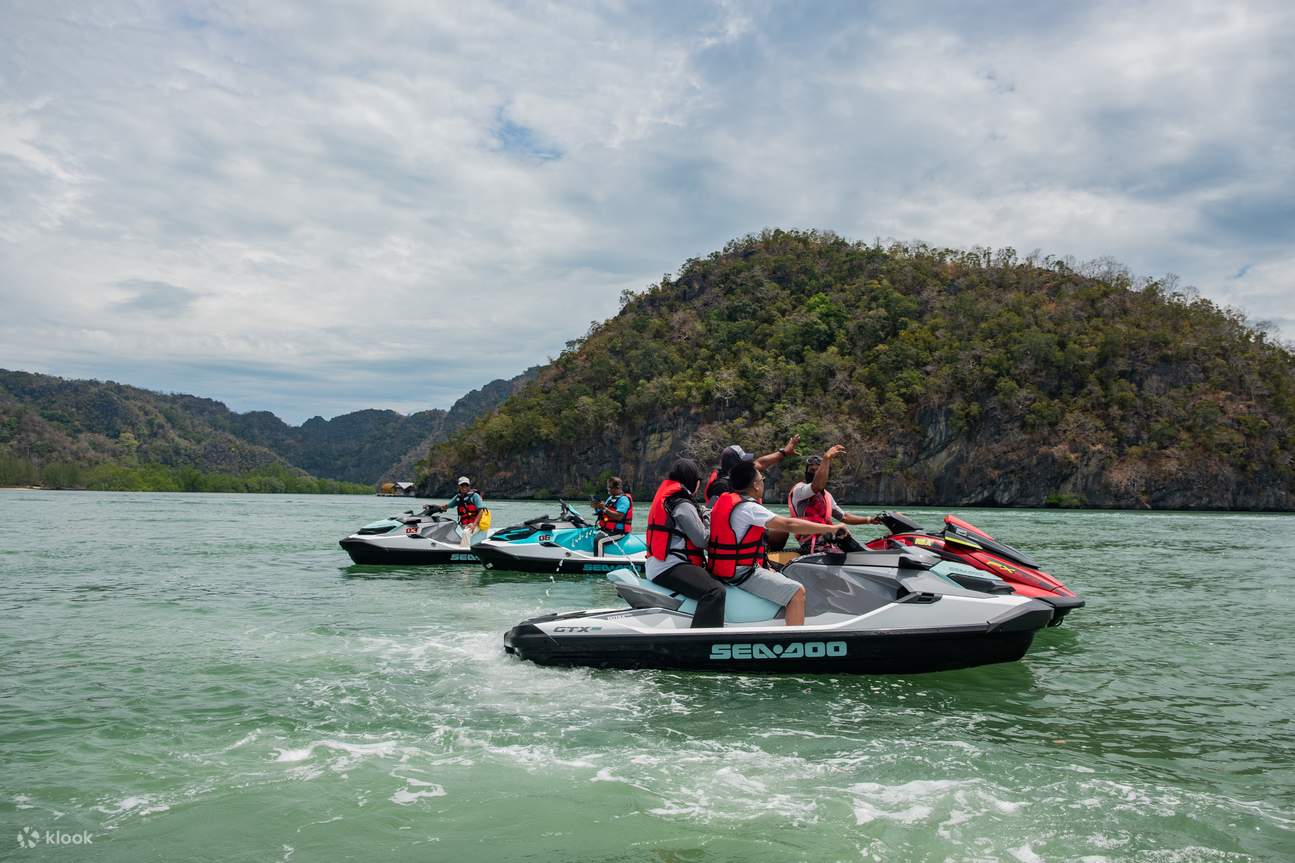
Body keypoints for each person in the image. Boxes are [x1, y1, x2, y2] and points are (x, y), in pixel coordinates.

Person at [707, 459, 849, 627]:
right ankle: (794, 639)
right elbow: (789, 525)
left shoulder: (724, 501)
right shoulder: (749, 508)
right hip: (741, 574)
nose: (763, 483)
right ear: (756, 485)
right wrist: (831, 529)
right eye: (762, 480)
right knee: (797, 592)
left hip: (723, 569)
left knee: (778, 572)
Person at [644, 458, 726, 628]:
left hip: (658, 564)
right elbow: (702, 540)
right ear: (692, 481)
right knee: (715, 591)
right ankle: (702, 640)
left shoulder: (669, 498)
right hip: (670, 566)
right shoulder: (682, 504)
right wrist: (708, 521)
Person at [788, 445, 881, 554]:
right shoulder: (799, 490)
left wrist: (869, 520)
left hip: (829, 541)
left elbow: (844, 517)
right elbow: (817, 486)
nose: (815, 473)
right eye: (812, 470)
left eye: (818, 470)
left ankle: (867, 555)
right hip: (810, 545)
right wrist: (826, 458)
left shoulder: (827, 496)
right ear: (806, 472)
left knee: (846, 537)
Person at [703, 435, 801, 506]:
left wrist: (784, 452)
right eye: (743, 462)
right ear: (736, 465)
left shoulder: (740, 474)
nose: (747, 464)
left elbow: (760, 463)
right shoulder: (721, 486)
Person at [433, 476, 484, 547]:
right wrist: (434, 507)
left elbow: (481, 511)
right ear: (459, 486)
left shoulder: (475, 496)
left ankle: (464, 550)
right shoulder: (458, 497)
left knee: (466, 532)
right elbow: (447, 506)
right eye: (462, 485)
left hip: (476, 524)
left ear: (469, 486)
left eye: (466, 485)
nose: (464, 487)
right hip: (464, 524)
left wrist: (474, 524)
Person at [592, 476, 633, 556]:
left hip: (618, 532)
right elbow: (604, 512)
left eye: (609, 487)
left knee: (599, 540)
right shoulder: (610, 498)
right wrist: (597, 507)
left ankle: (599, 560)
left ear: (617, 488)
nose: (608, 489)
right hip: (607, 529)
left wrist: (604, 508)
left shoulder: (624, 500)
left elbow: (619, 516)